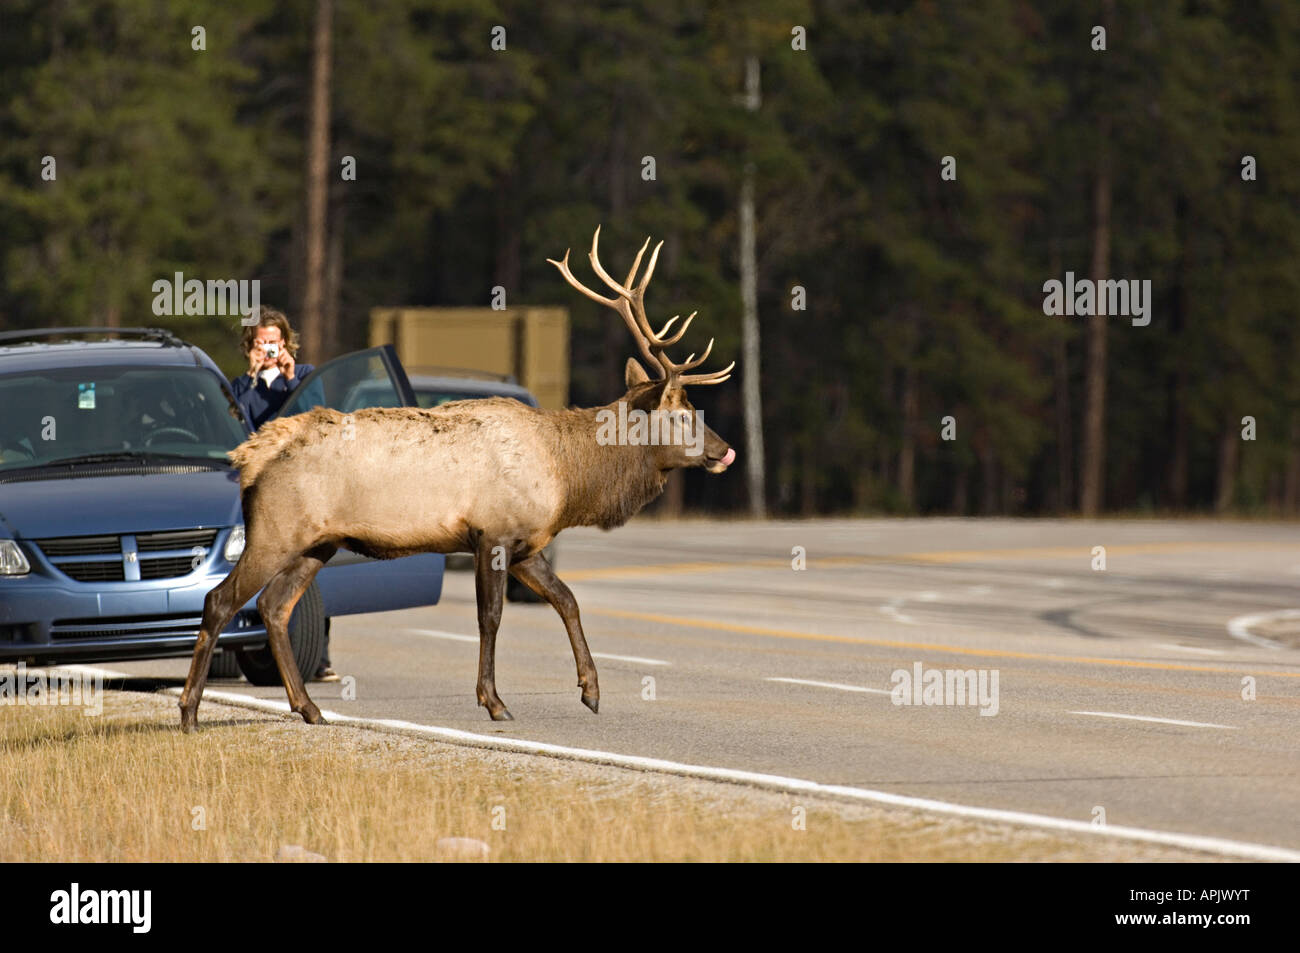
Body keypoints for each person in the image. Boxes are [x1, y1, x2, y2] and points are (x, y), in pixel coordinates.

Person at [229, 308, 339, 682]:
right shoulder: (241, 386)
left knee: (306, 568)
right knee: (259, 566)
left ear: (286, 342)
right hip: (263, 487)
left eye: (275, 342)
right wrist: (250, 378)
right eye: (262, 342)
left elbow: (317, 419)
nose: (270, 349)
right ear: (251, 345)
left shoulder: (305, 376)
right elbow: (238, 426)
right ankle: (251, 649)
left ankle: (318, 656)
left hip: (303, 485)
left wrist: (291, 379)